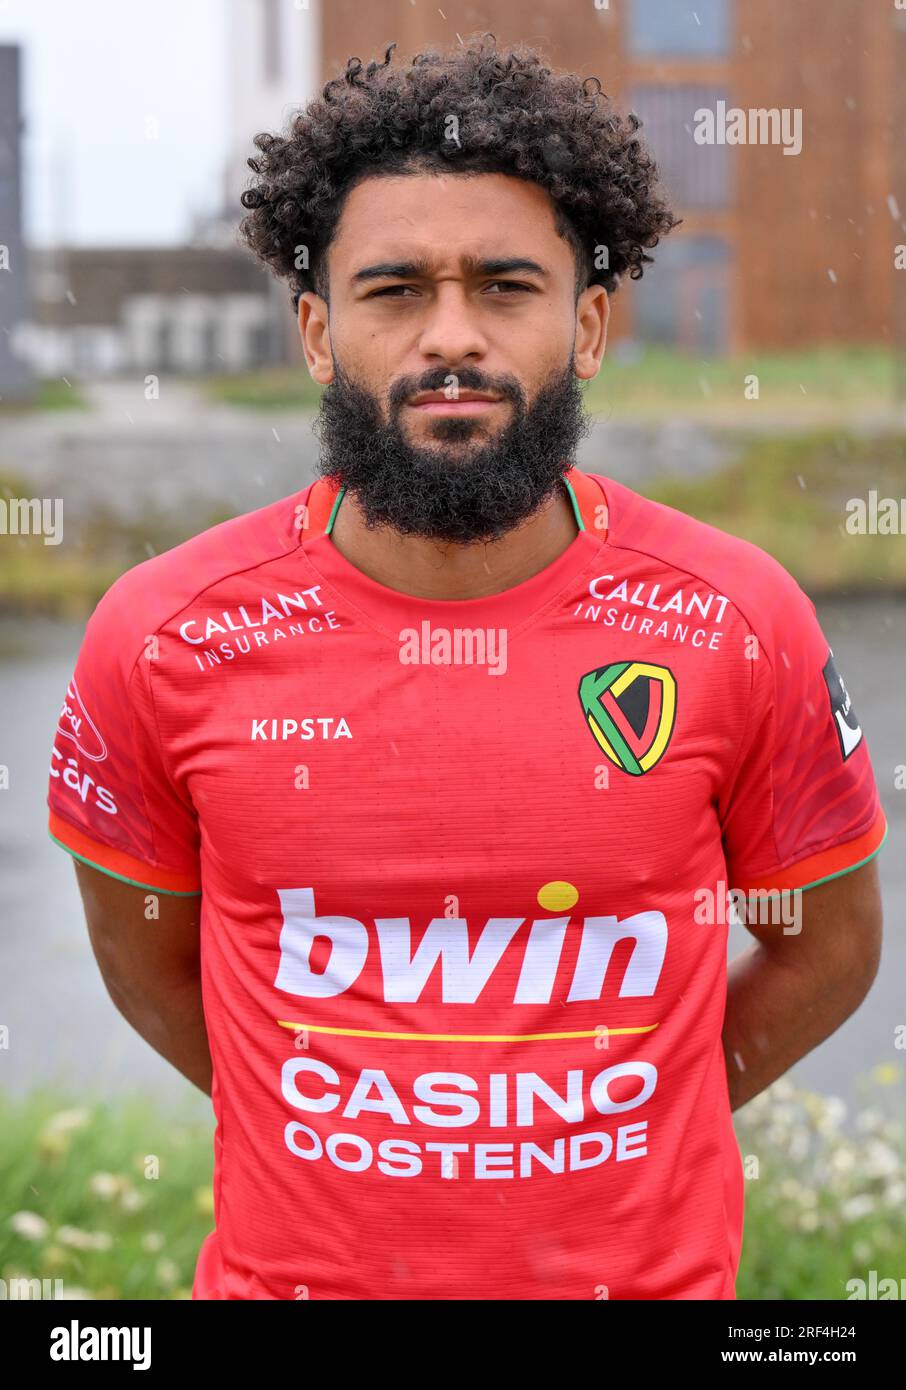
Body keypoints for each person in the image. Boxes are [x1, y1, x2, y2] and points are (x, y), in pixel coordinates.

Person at [47, 35, 886, 1300]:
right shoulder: (162, 634)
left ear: (589, 322)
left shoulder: (736, 617)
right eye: (394, 291)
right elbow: (143, 954)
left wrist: (649, 1115)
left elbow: (828, 948)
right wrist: (325, 1120)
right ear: (319, 334)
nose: (452, 338)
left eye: (505, 286)